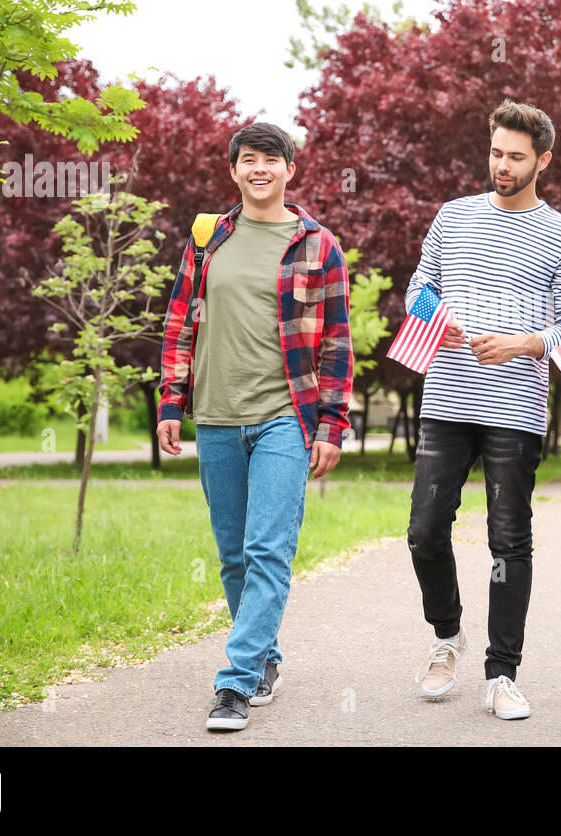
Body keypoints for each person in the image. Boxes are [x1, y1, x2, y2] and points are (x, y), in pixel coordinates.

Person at [157, 121, 354, 731]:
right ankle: (265, 658)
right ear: (234, 171)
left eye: (271, 159)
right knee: (234, 556)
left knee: (268, 549)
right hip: (215, 415)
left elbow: (337, 346)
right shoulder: (208, 239)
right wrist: (170, 401)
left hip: (284, 418)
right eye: (248, 160)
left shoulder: (319, 246)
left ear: (290, 170)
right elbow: (180, 319)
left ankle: (235, 685)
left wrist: (331, 426)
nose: (259, 168)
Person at [405, 100, 561, 720]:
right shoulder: (452, 217)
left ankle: (502, 672)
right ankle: (446, 633)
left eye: (515, 156)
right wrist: (440, 316)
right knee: (425, 530)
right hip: (447, 395)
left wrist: (523, 343)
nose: (502, 166)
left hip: (515, 406)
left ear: (543, 160)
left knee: (508, 541)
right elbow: (419, 288)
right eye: (496, 153)